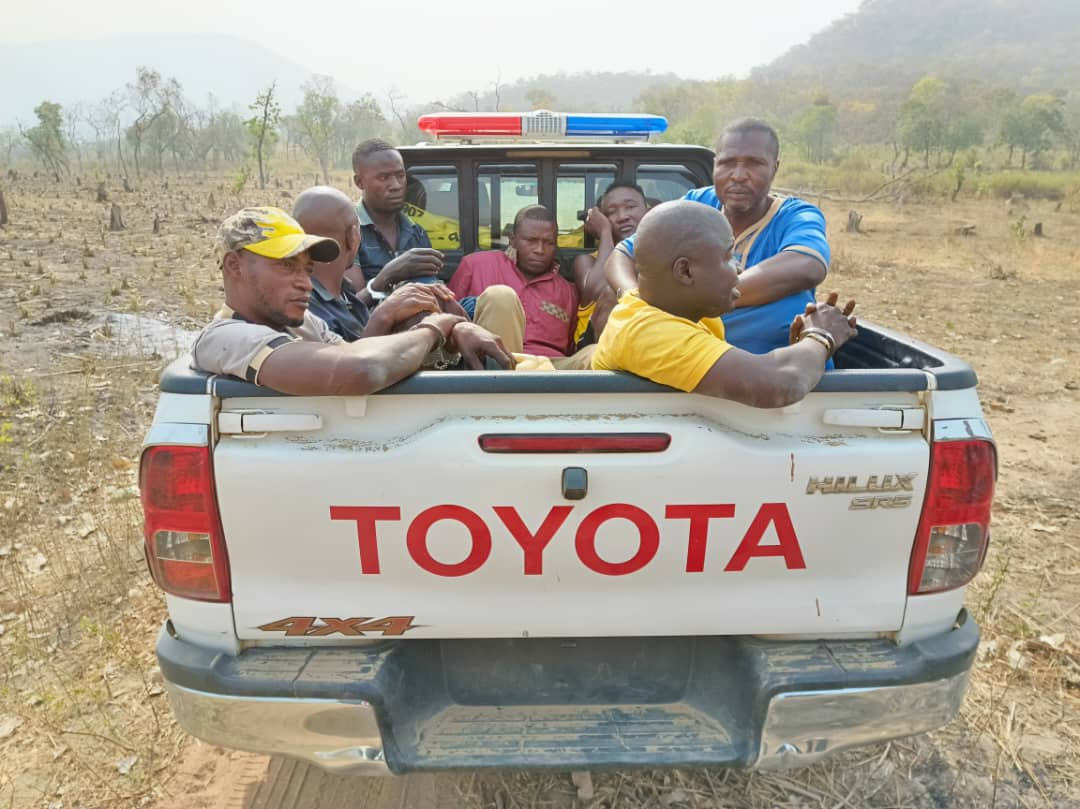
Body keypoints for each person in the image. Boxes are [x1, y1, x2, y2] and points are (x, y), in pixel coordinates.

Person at [191, 206, 513, 396]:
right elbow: (362, 369)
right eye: (286, 266)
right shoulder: (226, 338)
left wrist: (455, 326)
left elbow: (359, 350)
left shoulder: (303, 324)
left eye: (307, 269)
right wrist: (438, 325)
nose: (304, 282)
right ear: (235, 266)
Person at [592, 200, 856, 408]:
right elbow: (776, 383)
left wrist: (798, 349)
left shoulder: (668, 308)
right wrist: (821, 336)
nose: (739, 268)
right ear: (685, 272)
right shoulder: (648, 332)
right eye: (729, 257)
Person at [605, 118, 830, 355]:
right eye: (727, 163)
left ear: (775, 167)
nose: (739, 175)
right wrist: (634, 300)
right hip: (689, 367)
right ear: (714, 166)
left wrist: (691, 300)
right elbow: (622, 254)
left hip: (772, 373)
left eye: (754, 163)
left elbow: (808, 264)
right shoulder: (697, 203)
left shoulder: (795, 216)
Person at [449, 205, 585, 364]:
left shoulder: (568, 291)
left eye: (549, 242)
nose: (540, 250)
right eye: (531, 240)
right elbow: (448, 319)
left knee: (592, 354)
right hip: (496, 363)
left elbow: (570, 347)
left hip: (550, 369)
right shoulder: (476, 265)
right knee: (500, 296)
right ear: (512, 239)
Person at [344, 138, 445, 301]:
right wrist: (387, 275)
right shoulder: (348, 232)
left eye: (400, 175)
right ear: (359, 182)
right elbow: (351, 309)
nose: (396, 185)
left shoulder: (416, 232)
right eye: (383, 178)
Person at [571, 181, 648, 344]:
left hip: (646, 339)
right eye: (611, 212)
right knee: (614, 293)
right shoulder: (587, 260)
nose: (622, 216)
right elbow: (599, 290)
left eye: (630, 207)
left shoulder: (665, 256)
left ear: (647, 210)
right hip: (594, 346)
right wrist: (605, 231)